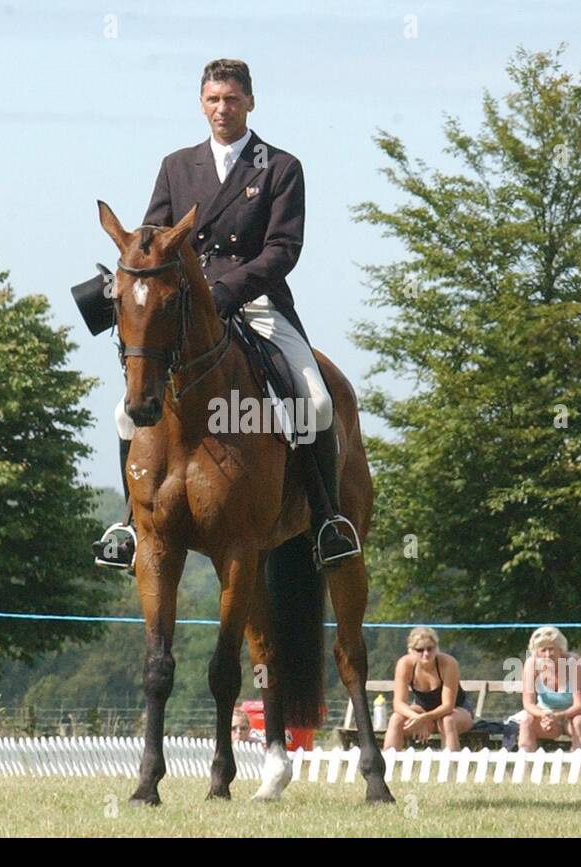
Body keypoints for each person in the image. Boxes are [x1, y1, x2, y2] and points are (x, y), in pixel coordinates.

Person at [89, 58, 359, 571]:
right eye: (213, 99)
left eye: (231, 99)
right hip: (187, 308)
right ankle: (128, 523)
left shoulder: (279, 166)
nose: (221, 108)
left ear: (250, 102)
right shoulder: (177, 165)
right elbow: (153, 239)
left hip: (257, 301)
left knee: (318, 403)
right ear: (201, 104)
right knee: (126, 410)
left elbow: (283, 248)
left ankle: (326, 520)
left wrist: (228, 290)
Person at [382, 627, 473, 751]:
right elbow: (398, 704)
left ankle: (451, 766)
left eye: (430, 648)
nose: (426, 654)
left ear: (436, 647)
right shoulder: (404, 665)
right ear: (411, 651)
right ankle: (388, 763)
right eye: (420, 650)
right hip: (421, 710)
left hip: (457, 711)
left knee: (447, 721)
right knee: (396, 718)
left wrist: (423, 718)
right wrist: (417, 717)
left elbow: (448, 706)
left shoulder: (448, 664)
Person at [518, 626, 581, 752]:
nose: (547, 654)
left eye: (551, 649)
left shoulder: (574, 662)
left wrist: (559, 716)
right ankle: (524, 766)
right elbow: (528, 703)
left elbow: (579, 705)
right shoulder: (531, 664)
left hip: (580, 713)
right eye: (543, 650)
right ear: (536, 652)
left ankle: (579, 767)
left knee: (578, 722)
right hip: (548, 714)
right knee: (526, 721)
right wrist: (544, 715)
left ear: (561, 649)